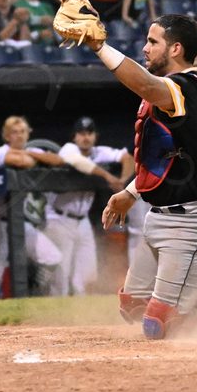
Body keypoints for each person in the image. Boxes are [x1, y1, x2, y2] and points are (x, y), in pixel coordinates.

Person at [89, 14, 197, 339]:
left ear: (176, 48)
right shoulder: (175, 91)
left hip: (192, 221)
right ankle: (195, 291)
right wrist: (132, 193)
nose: (145, 48)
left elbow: (145, 84)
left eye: (153, 42)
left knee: (157, 324)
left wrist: (100, 47)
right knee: (132, 304)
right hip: (160, 217)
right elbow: (166, 159)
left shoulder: (188, 89)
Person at [44, 117, 131, 297]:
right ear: (74, 137)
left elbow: (127, 157)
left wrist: (122, 179)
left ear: (95, 136)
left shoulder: (99, 152)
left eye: (89, 133)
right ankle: (55, 316)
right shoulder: (69, 149)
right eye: (81, 134)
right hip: (59, 218)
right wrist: (108, 177)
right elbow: (80, 163)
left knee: (87, 272)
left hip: (82, 221)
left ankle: (80, 317)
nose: (86, 137)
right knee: (61, 275)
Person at [0, 116, 64, 298]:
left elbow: (58, 160)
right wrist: (34, 157)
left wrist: (32, 153)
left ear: (28, 134)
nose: (19, 136)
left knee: (53, 256)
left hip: (17, 221)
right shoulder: (1, 151)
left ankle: (37, 293)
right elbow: (17, 161)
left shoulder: (31, 150)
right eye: (14, 132)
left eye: (23, 132)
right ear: (7, 136)